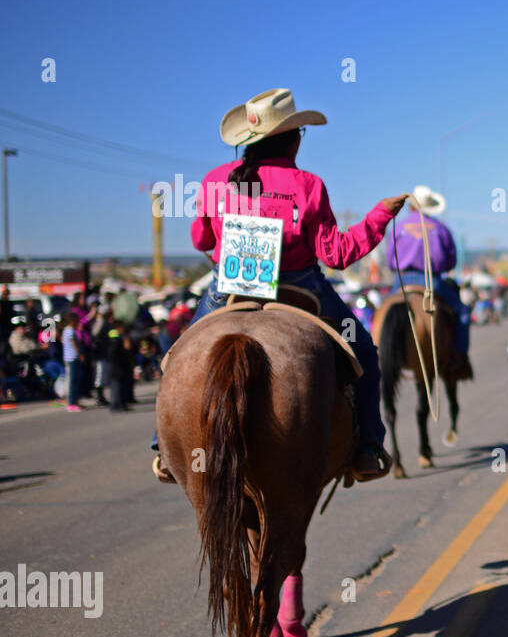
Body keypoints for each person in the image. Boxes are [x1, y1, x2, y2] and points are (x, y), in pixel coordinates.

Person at [153, 88, 408, 482]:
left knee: (178, 358)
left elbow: (201, 241)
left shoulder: (215, 181)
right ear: (294, 138)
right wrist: (379, 215)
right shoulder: (308, 184)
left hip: (230, 287)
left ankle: (163, 447)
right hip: (299, 287)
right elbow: (336, 254)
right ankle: (367, 446)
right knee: (365, 353)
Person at [386, 185, 472, 375]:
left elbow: (390, 261)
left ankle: (378, 354)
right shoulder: (441, 229)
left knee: (381, 314)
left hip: (402, 281)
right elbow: (450, 261)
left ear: (411, 207)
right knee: (463, 312)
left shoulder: (399, 227)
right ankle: (459, 358)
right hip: (432, 282)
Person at [59, 313, 84, 412]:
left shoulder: (66, 330)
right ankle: (71, 403)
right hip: (72, 358)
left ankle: (75, 401)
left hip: (69, 358)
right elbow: (74, 343)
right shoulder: (70, 330)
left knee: (75, 380)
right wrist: (80, 354)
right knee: (73, 381)